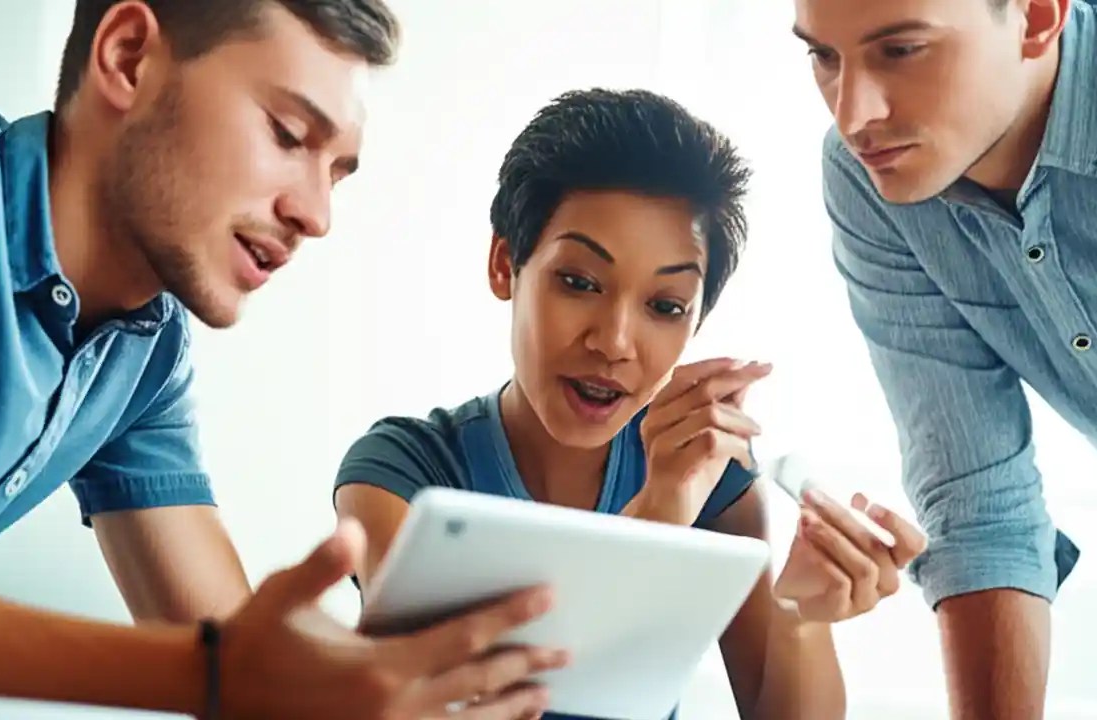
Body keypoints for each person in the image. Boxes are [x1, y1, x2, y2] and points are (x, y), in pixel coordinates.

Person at [0, 1, 567, 718]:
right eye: (289, 134)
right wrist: (201, 673)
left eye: (337, 174)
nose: (316, 216)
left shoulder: (146, 353)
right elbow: (219, 665)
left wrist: (371, 689)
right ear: (126, 58)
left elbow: (242, 659)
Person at [334, 87, 928, 720]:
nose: (614, 342)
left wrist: (804, 616)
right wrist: (660, 513)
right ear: (506, 263)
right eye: (579, 283)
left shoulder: (713, 477)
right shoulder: (399, 472)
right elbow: (474, 701)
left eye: (665, 306)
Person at [796, 0, 1097, 716]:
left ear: (1034, 16)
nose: (854, 113)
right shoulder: (874, 184)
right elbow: (980, 504)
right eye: (824, 57)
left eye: (900, 51)